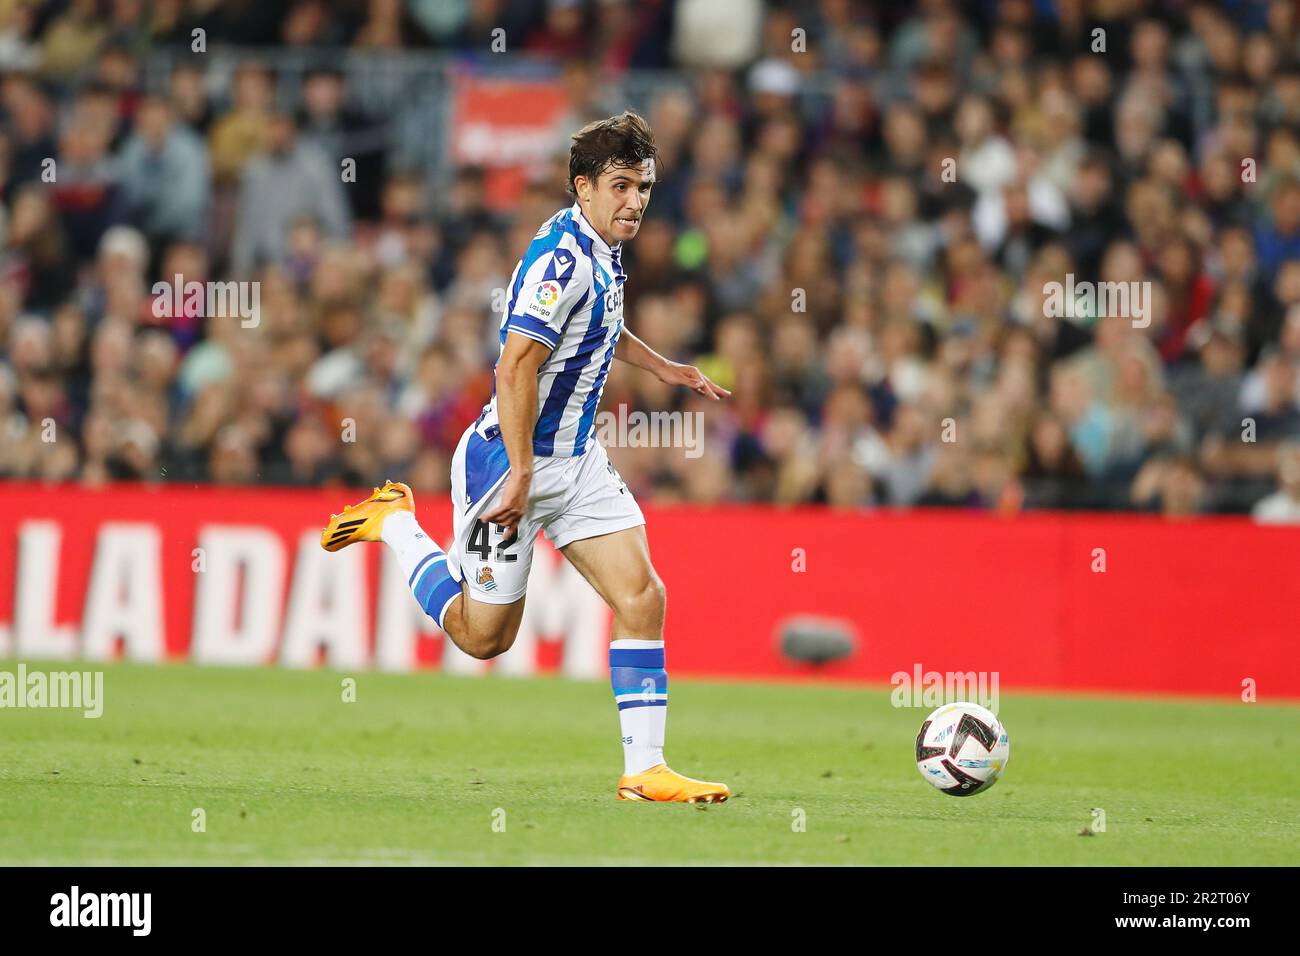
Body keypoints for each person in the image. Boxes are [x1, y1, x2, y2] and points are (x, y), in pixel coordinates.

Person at [320, 111, 733, 803]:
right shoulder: (561, 261)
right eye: (623, 186)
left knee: (643, 596)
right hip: (505, 467)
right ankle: (394, 522)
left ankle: (644, 770)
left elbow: (599, 323)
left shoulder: (600, 247)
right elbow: (514, 368)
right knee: (484, 640)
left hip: (575, 464)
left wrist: (662, 366)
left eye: (645, 188)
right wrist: (519, 473)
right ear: (584, 187)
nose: (636, 201)